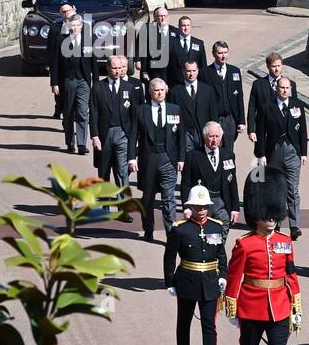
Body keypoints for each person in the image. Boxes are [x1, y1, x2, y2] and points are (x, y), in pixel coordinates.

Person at [224, 167, 302, 345]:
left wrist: (296, 307)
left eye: (274, 215)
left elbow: (290, 275)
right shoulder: (244, 244)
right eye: (266, 214)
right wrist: (232, 308)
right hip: (252, 306)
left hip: (279, 306)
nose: (271, 219)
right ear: (256, 214)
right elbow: (235, 278)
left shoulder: (284, 242)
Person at [164, 186, 228, 345]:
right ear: (190, 206)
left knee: (209, 324)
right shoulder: (180, 229)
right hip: (187, 280)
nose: (201, 210)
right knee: (184, 321)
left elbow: (221, 255)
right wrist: (170, 282)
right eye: (198, 206)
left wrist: (223, 275)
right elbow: (169, 257)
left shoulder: (215, 227)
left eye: (205, 206)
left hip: (209, 280)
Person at [251, 75, 307, 240]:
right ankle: (277, 223)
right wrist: (260, 154)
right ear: (276, 89)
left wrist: (303, 153)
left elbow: (302, 131)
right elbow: (261, 132)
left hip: (292, 152)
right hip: (274, 151)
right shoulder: (267, 106)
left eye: (287, 88)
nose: (285, 91)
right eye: (282, 88)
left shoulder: (298, 106)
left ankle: (295, 225)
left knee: (292, 190)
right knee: (277, 190)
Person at [89, 54, 143, 223]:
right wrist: (95, 136)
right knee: (104, 172)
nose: (118, 71)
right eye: (114, 68)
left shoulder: (129, 87)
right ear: (108, 68)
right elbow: (94, 113)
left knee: (122, 173)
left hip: (123, 135)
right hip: (104, 135)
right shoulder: (98, 87)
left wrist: (135, 138)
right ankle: (105, 209)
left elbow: (135, 115)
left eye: (120, 68)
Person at [127, 78, 181, 242]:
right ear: (150, 92)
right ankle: (148, 229)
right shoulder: (140, 110)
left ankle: (171, 234)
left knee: (169, 198)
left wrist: (181, 159)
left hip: (168, 158)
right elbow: (133, 135)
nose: (159, 93)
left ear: (166, 91)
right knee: (148, 198)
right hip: (148, 158)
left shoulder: (175, 109)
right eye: (156, 90)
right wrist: (131, 158)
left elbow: (181, 136)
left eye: (162, 90)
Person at [180, 122, 240, 228]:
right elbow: (185, 184)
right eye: (211, 136)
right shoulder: (192, 156)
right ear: (204, 137)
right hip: (201, 204)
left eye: (217, 136)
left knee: (224, 225)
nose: (214, 140)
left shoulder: (228, 155)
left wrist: (235, 208)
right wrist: (186, 207)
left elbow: (232, 182)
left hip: (221, 202)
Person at [52, 12, 96, 155]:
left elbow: (93, 64)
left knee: (83, 112)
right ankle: (70, 143)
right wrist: (55, 83)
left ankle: (82, 144)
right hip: (68, 81)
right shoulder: (61, 40)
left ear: (82, 26)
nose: (75, 28)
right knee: (69, 113)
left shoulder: (88, 41)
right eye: (73, 25)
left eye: (78, 25)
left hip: (83, 80)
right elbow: (55, 64)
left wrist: (97, 83)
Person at [245, 52, 298, 149]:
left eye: (279, 65)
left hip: (285, 132)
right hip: (264, 131)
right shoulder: (258, 85)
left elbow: (295, 107)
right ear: (268, 66)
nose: (277, 69)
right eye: (274, 66)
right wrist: (251, 130)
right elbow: (252, 108)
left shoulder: (290, 85)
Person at [174, 57, 222, 160]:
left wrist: (215, 134)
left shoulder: (208, 90)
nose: (191, 74)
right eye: (188, 71)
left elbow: (213, 114)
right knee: (187, 164)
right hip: (185, 134)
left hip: (203, 133)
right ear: (183, 71)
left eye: (193, 71)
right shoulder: (175, 91)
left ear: (198, 71)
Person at [200, 40, 244, 151]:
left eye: (225, 52)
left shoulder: (234, 71)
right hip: (214, 118)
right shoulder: (205, 72)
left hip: (230, 119)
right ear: (214, 54)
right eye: (220, 53)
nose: (223, 56)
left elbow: (239, 97)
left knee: (229, 150)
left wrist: (241, 121)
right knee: (214, 148)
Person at [138, 5, 180, 86]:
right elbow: (144, 51)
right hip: (154, 71)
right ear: (155, 18)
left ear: (168, 17)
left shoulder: (176, 32)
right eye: (160, 16)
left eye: (165, 16)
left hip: (171, 71)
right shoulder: (149, 30)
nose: (163, 18)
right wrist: (144, 70)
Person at [49, 2, 75, 118]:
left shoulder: (82, 26)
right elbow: (50, 48)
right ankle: (58, 107)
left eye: (68, 10)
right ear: (60, 14)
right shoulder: (55, 28)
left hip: (75, 65)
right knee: (59, 90)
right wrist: (48, 63)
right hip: (59, 64)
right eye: (63, 12)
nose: (66, 13)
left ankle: (72, 112)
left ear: (74, 10)